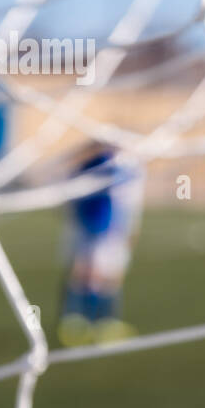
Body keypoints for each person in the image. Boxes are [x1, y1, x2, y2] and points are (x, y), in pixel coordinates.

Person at [58, 144, 146, 347]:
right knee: (89, 274)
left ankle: (100, 323)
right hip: (99, 227)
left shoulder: (125, 166)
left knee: (106, 275)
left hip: (109, 227)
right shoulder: (100, 165)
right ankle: (78, 323)